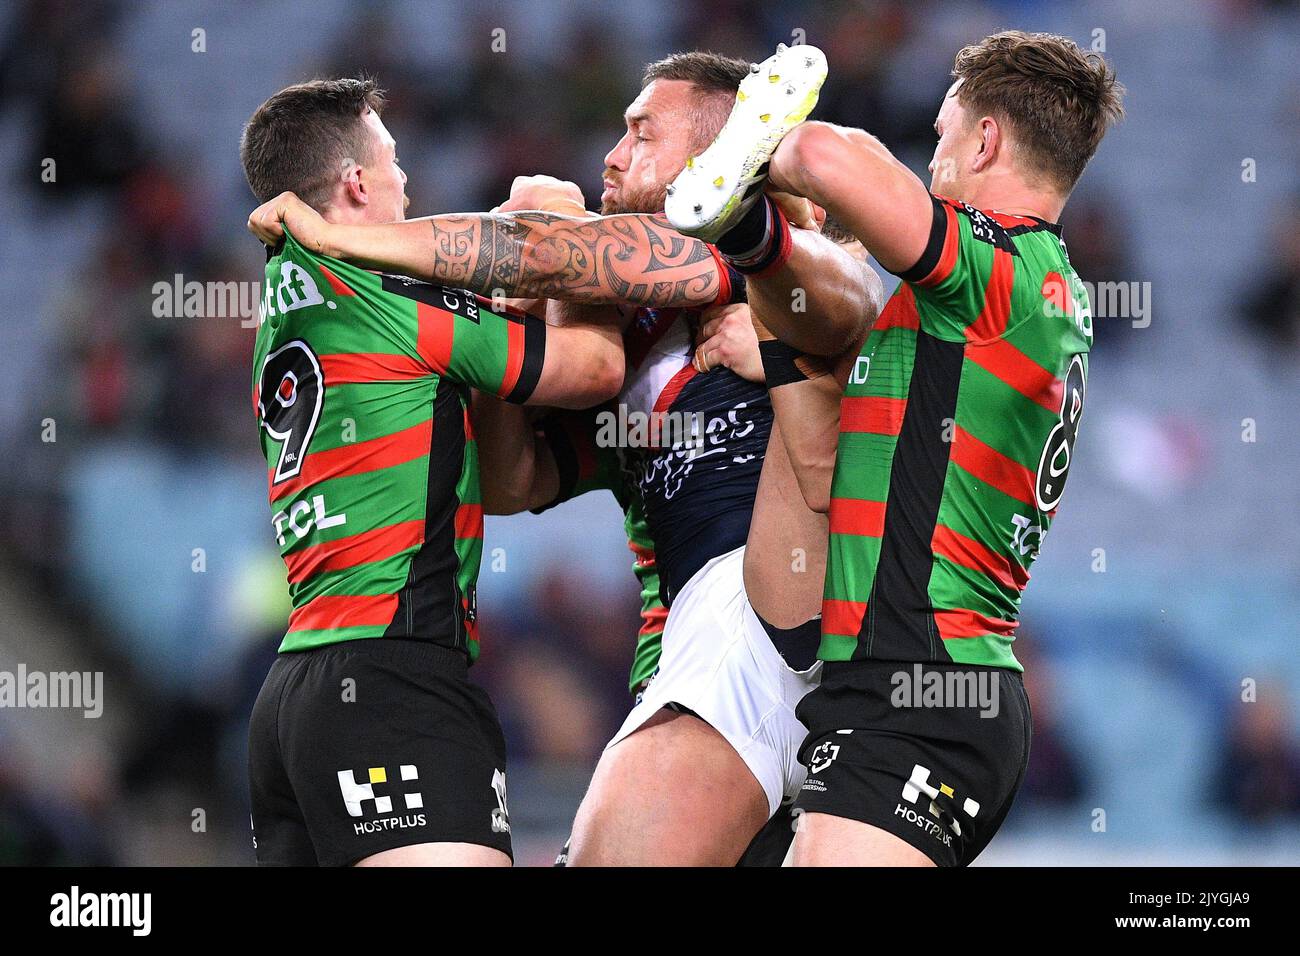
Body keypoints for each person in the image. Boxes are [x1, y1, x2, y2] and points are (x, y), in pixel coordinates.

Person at [259, 52, 878, 865]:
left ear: (712, 161)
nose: (611, 156)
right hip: (680, 648)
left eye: (638, 133)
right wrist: (517, 310)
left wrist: (370, 240)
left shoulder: (746, 253)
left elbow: (569, 255)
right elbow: (516, 480)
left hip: (771, 611)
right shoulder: (644, 345)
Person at [669, 33, 1123, 866]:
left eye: (943, 133)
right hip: (882, 689)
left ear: (984, 140)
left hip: (927, 690)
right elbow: (819, 472)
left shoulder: (1005, 269)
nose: (934, 154)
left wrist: (748, 150)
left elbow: (820, 151)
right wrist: (759, 265)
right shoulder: (976, 309)